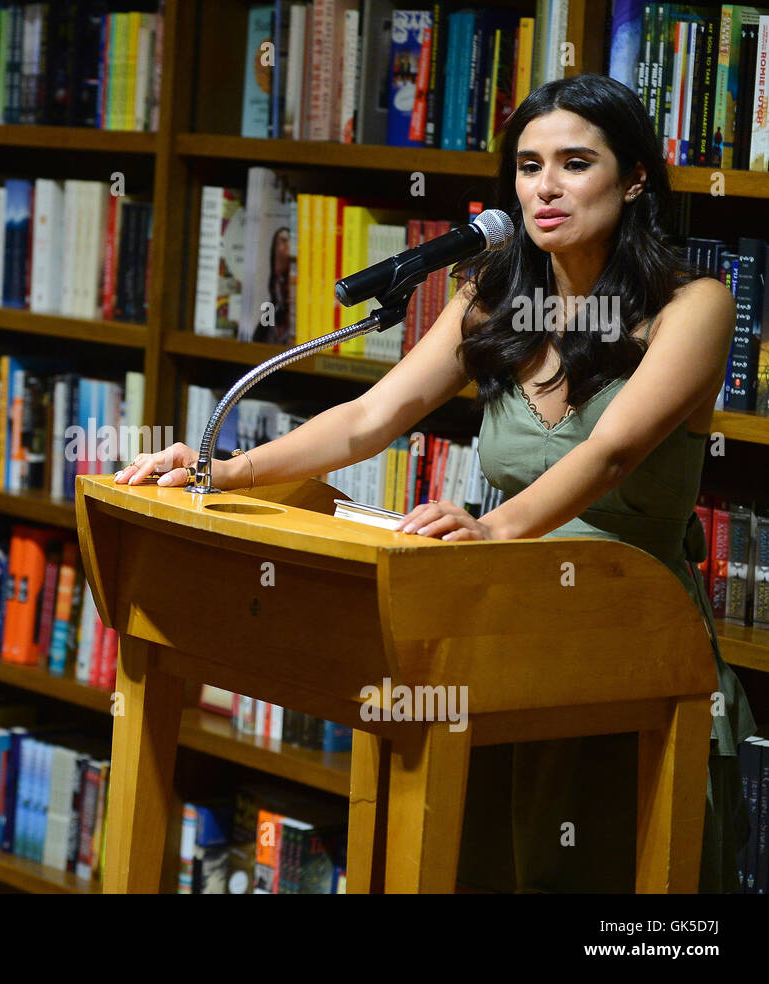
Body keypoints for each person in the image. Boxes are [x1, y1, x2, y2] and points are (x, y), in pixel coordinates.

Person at [114, 74, 755, 893]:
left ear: (633, 179)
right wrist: (221, 468)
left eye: (574, 163)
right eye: (528, 166)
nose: (545, 187)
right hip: (492, 637)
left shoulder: (693, 305)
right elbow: (368, 418)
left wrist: (491, 532)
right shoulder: (493, 299)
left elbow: (612, 455)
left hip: (624, 637)